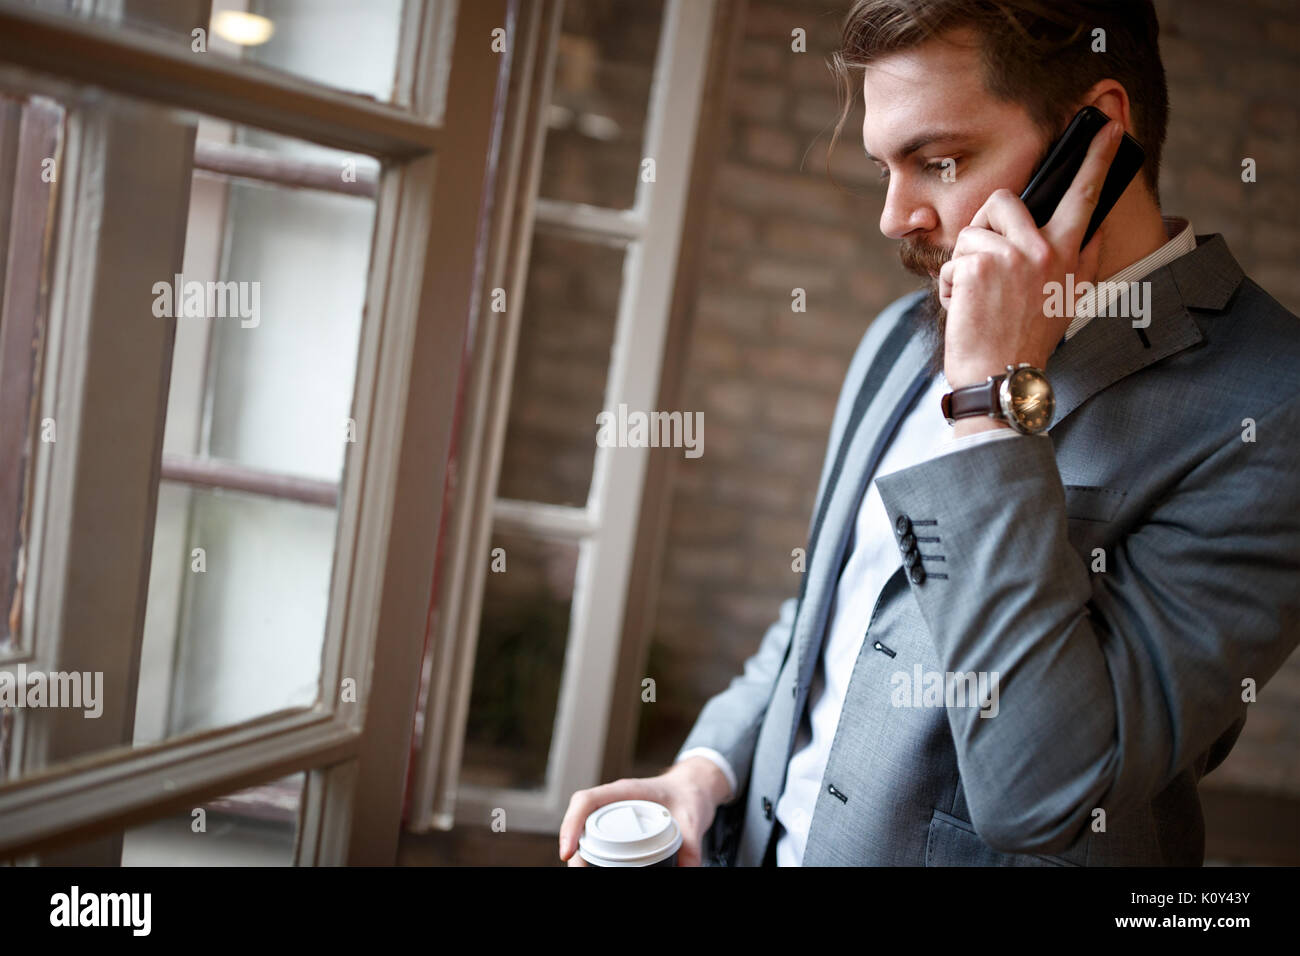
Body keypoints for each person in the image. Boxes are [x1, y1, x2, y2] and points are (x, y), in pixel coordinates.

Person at [560, 0, 1300, 866]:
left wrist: (991, 405)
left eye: (939, 161)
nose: (893, 216)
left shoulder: (1274, 405)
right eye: (885, 167)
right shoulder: (900, 336)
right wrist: (706, 769)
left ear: (1096, 131)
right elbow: (831, 612)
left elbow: (1050, 791)